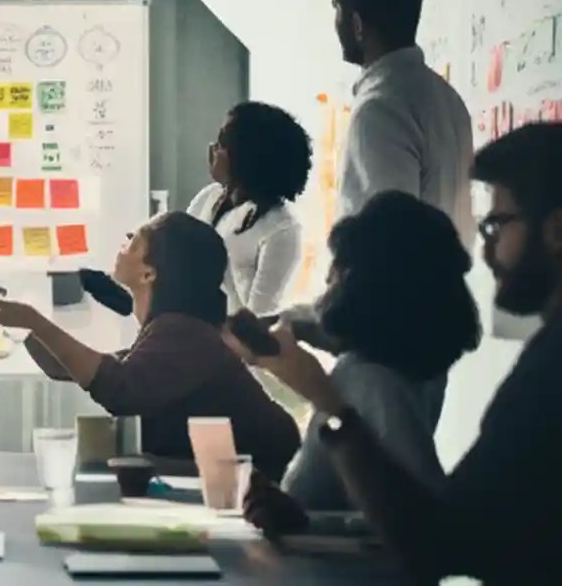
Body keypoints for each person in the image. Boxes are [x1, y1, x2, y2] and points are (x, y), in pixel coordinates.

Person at [234, 123, 562, 584]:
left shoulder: (546, 371)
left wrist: (326, 399)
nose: (487, 251)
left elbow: (436, 540)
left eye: (496, 224)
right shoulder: (539, 355)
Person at [0, 212, 301, 481]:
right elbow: (65, 368)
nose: (124, 245)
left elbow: (120, 389)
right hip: (237, 480)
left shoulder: (183, 333)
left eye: (134, 241)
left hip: (270, 486)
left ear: (148, 273)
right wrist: (27, 328)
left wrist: (37, 323)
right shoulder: (172, 330)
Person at [227, 191, 479, 527]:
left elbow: (419, 518)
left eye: (340, 267)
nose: (329, 278)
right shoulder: (407, 357)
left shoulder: (371, 381)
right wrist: (286, 326)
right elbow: (321, 322)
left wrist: (305, 523)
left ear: (366, 283)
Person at [330, 0, 474, 247]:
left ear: (356, 24)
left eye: (336, 8)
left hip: (395, 293)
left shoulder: (378, 109)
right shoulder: (449, 99)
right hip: (444, 287)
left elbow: (386, 245)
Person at [187, 101, 312, 315]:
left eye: (222, 142)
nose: (213, 149)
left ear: (246, 155)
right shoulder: (209, 197)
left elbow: (260, 316)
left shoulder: (281, 228)